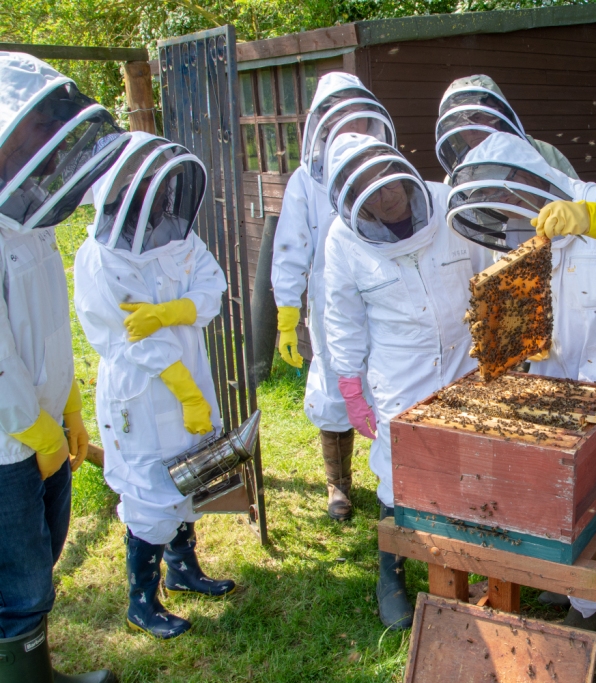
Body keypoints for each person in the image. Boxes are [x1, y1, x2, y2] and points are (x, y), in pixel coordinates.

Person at [446, 131, 596, 628]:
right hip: (557, 374)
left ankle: (590, 607)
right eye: (497, 204)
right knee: (553, 484)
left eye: (509, 196)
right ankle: (557, 582)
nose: (507, 212)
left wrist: (595, 219)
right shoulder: (517, 229)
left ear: (530, 178)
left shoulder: (594, 201)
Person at [322, 132, 491, 629]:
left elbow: (489, 271)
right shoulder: (343, 240)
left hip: (465, 355)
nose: (384, 191)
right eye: (367, 188)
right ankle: (390, 571)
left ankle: (470, 563)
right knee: (399, 468)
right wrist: (350, 385)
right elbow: (343, 317)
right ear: (351, 199)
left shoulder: (447, 203)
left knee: (469, 462)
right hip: (400, 366)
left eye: (385, 175)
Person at [74, 132, 235, 640]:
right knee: (150, 487)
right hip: (142, 389)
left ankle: (183, 569)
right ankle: (141, 600)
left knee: (189, 470)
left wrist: (173, 311)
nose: (158, 200)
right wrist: (184, 390)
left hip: (190, 371)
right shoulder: (100, 258)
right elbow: (132, 340)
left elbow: (213, 286)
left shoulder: (177, 236)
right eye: (143, 188)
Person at [0, 51, 126, 683]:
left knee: (40, 559)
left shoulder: (33, 224)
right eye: (34, 125)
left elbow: (47, 331)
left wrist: (69, 402)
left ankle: (35, 674)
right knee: (17, 580)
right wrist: (36, 427)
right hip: (6, 445)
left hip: (42, 425)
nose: (45, 140)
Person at [272, 72, 396, 522]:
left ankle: (393, 480)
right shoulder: (306, 181)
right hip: (329, 298)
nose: (353, 130)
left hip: (382, 288)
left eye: (359, 122)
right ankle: (338, 484)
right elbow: (290, 246)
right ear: (322, 127)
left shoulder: (384, 167)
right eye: (341, 121)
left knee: (388, 380)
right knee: (333, 383)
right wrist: (287, 309)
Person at [435, 74, 578, 181]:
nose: (470, 130)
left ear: (498, 111)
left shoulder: (543, 153)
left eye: (476, 118)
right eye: (461, 125)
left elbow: (577, 201)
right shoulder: (457, 176)